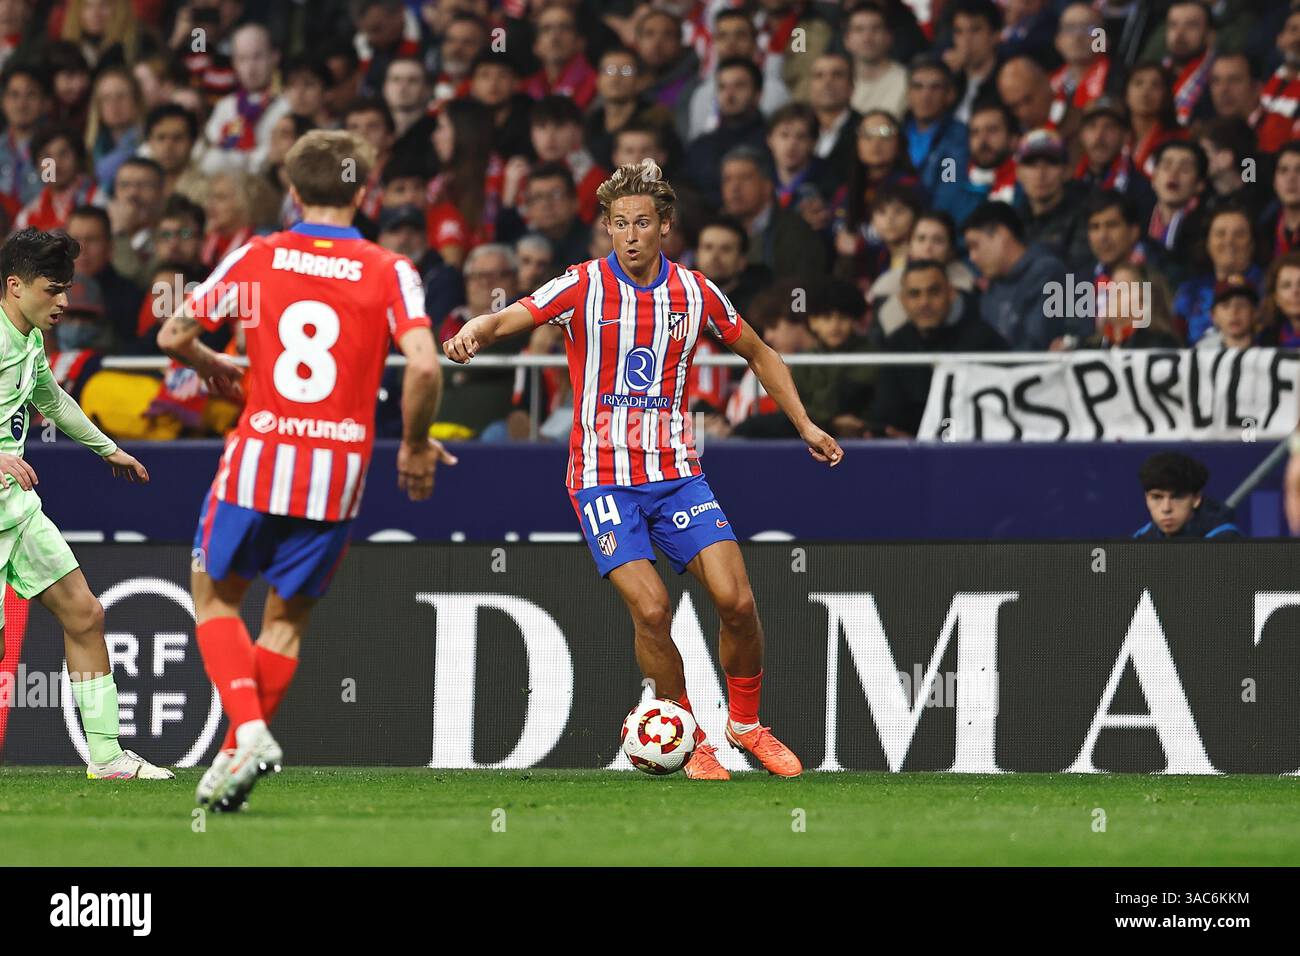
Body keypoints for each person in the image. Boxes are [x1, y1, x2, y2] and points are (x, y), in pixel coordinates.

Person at [443, 157, 844, 782]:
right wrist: (477, 329)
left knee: (736, 601)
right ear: (608, 228)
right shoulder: (581, 285)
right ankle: (689, 735)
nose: (630, 235)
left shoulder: (696, 291)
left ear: (666, 226)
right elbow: (510, 316)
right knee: (653, 610)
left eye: (642, 223)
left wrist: (805, 425)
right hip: (602, 479)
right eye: (619, 224)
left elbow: (762, 354)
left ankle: (746, 723)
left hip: (678, 472)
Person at [156, 129, 455, 811]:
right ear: (363, 191)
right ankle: (240, 755)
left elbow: (173, 334)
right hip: (339, 467)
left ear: (292, 192)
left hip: (261, 453)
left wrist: (213, 365)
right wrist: (412, 445)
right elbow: (428, 365)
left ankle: (249, 730)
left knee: (215, 597)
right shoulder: (391, 269)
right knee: (285, 620)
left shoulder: (257, 255)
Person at [0, 227, 167, 779]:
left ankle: (109, 758)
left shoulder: (29, 340)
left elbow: (52, 398)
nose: (65, 302)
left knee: (85, 612)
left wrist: (108, 449)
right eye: (54, 289)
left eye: (67, 288)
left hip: (14, 508)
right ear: (15, 285)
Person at [1134, 452, 1240, 540]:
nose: (1166, 508)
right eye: (1157, 497)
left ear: (1196, 499)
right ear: (1146, 498)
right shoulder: (1141, 538)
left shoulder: (1225, 539)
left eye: (1177, 497)